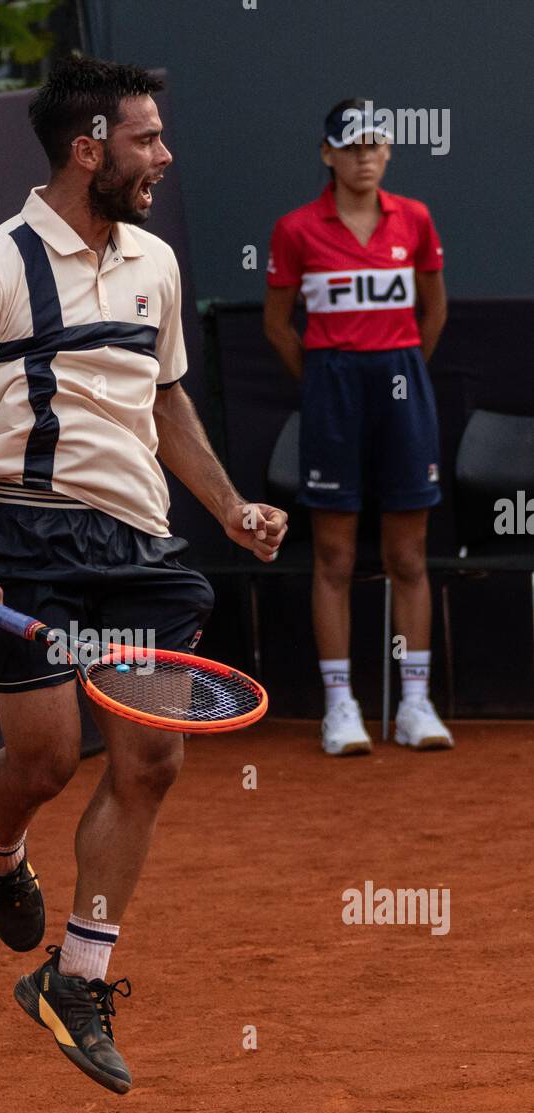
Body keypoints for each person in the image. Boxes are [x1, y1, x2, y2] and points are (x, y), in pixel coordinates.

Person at [0, 55, 287, 1096]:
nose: (162, 156)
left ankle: (76, 978)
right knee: (43, 758)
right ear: (89, 150)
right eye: (145, 139)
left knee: (151, 760)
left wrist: (229, 507)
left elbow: (164, 405)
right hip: (25, 539)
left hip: (140, 554)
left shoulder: (155, 264)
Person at [264, 96, 452, 755]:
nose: (364, 156)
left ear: (389, 150)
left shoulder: (417, 220)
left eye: (375, 144)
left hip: (403, 388)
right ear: (328, 154)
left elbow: (433, 312)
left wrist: (399, 372)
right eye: (351, 146)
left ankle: (415, 705)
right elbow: (276, 325)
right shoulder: (295, 229)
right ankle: (340, 708)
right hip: (331, 390)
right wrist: (324, 379)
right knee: (336, 556)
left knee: (407, 554)